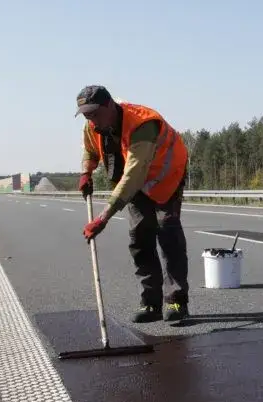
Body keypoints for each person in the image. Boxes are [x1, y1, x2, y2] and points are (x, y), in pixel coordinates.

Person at [75, 85, 191, 322]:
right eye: (86, 115)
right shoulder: (93, 125)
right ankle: (150, 304)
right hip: (134, 184)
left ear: (109, 106)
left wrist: (103, 217)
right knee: (139, 237)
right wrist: (86, 172)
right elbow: (90, 150)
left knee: (167, 233)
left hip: (165, 178)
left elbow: (134, 174)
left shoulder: (142, 124)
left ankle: (177, 302)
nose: (91, 119)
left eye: (94, 113)